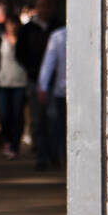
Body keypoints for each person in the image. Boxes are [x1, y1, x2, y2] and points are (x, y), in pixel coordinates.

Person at [16, 0, 57, 170]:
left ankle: (54, 154)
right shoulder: (27, 30)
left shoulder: (58, 27)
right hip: (34, 80)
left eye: (46, 6)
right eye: (40, 7)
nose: (44, 10)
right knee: (38, 119)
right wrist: (32, 69)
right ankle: (41, 156)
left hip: (56, 82)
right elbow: (20, 53)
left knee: (53, 118)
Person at [0, 15, 28, 157]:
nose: (12, 27)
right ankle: (7, 140)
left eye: (15, 24)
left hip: (20, 82)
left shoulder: (23, 40)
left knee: (17, 115)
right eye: (10, 24)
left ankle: (14, 146)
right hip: (3, 82)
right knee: (3, 115)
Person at [38, 24, 67, 168]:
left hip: (61, 89)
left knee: (58, 126)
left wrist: (43, 86)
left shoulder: (58, 36)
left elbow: (48, 63)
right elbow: (48, 63)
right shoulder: (58, 36)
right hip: (68, 90)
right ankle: (61, 156)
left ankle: (58, 156)